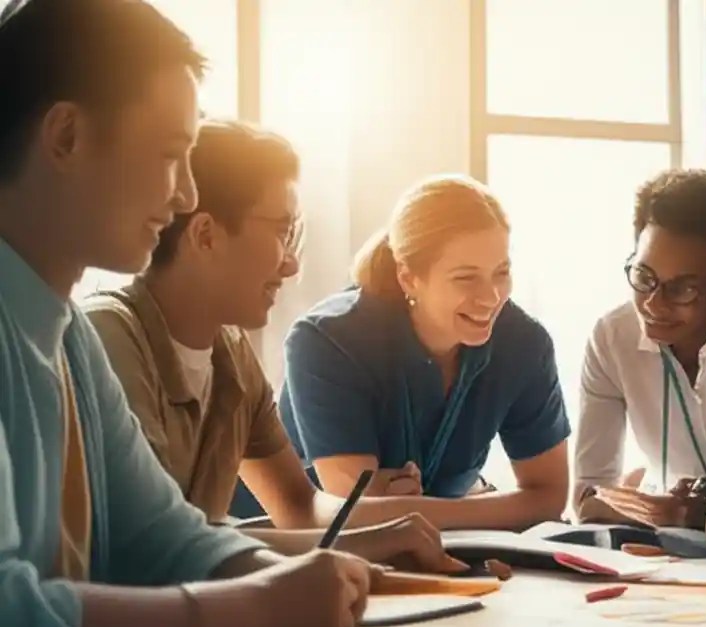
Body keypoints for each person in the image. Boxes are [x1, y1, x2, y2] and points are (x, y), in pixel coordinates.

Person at [0, 0, 373, 627]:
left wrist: (310, 580)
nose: (187, 197)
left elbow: (166, 538)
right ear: (67, 136)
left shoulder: (69, 336)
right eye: (171, 156)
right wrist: (259, 605)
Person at [82, 120, 464, 571]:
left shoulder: (232, 354)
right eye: (282, 232)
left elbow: (299, 507)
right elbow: (164, 543)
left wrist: (384, 528)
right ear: (205, 235)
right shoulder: (109, 339)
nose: (291, 263)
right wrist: (360, 547)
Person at [279, 175, 570, 530]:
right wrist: (487, 507)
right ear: (408, 277)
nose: (492, 297)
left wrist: (412, 509)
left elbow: (550, 497)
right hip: (290, 554)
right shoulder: (327, 341)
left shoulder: (524, 344)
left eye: (501, 272)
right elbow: (355, 516)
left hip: (437, 554)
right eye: (466, 278)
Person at [575, 169, 706, 530]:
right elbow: (589, 496)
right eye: (644, 277)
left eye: (682, 289)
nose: (654, 305)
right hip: (661, 543)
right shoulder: (612, 337)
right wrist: (659, 512)